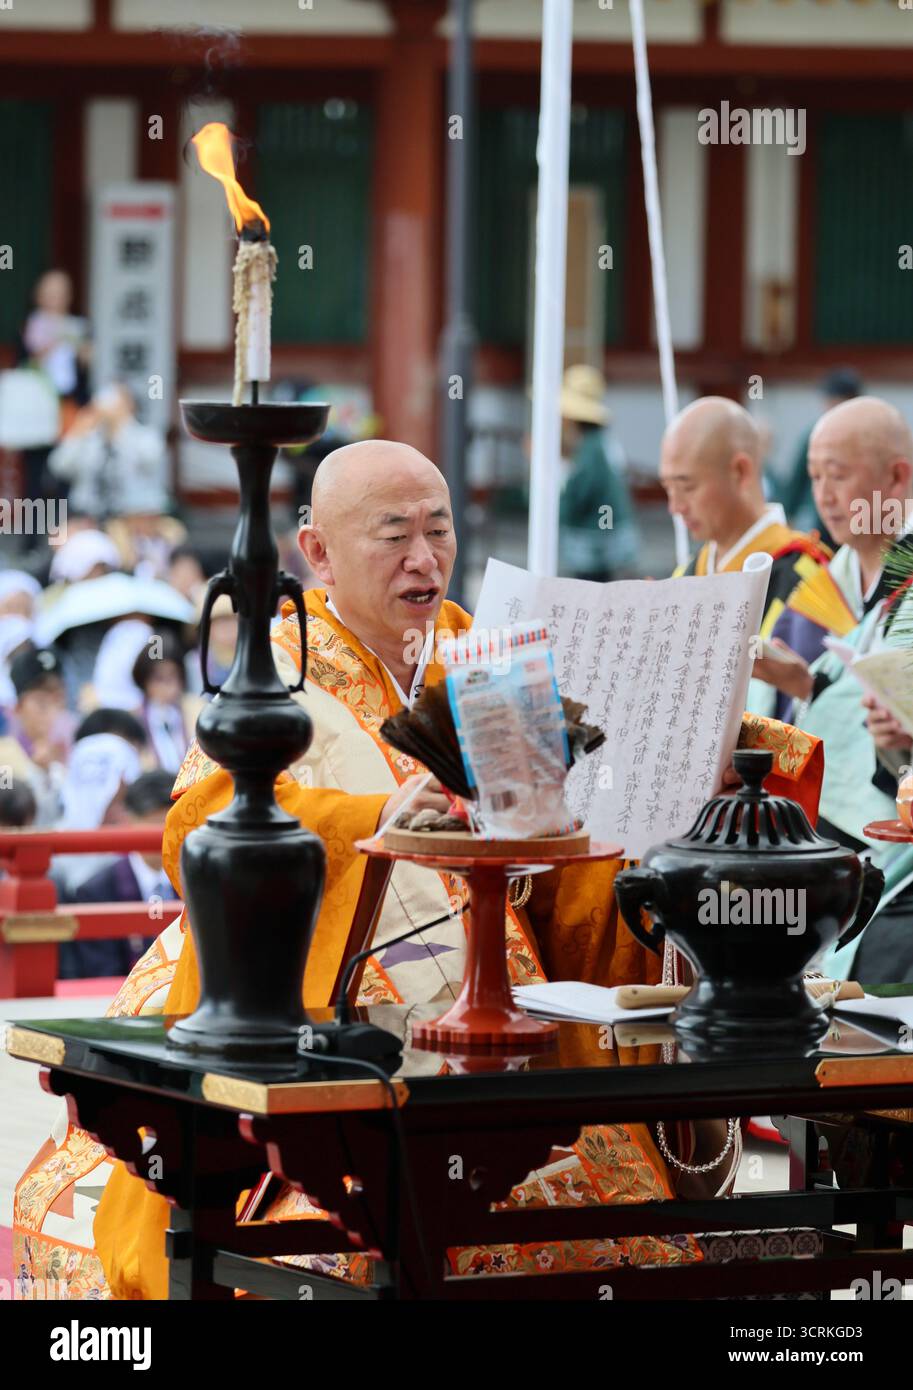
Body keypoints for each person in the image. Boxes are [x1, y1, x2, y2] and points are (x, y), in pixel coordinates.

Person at [16, 441, 823, 1299]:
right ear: (316, 551)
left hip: (502, 997)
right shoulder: (278, 672)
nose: (424, 558)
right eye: (392, 534)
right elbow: (197, 832)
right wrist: (370, 820)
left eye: (438, 530)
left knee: (602, 1216)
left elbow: (579, 813)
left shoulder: (478, 650)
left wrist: (706, 731)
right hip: (318, 1002)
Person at [751, 397, 913, 982]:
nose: (824, 493)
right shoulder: (823, 581)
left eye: (839, 475)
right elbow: (808, 703)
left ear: (898, 476)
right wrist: (799, 682)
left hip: (888, 835)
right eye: (815, 475)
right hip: (823, 823)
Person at [661, 397, 833, 717]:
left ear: (740, 471)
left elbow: (820, 714)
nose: (675, 506)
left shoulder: (806, 578)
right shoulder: (685, 575)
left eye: (687, 487)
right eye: (668, 489)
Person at [58, 770, 179, 980]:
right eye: (154, 823)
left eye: (170, 822)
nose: (162, 832)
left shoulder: (202, 881)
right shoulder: (96, 891)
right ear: (129, 820)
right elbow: (100, 971)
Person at [558, 365, 638, 581]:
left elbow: (579, 494)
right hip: (611, 539)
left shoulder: (590, 451)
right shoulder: (603, 443)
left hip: (595, 546)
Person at [47, 384, 168, 522]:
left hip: (133, 517)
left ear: (129, 405)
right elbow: (58, 467)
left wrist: (120, 426)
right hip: (89, 516)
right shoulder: (88, 438)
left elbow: (150, 460)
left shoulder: (145, 436)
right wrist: (78, 431)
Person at [778, 367, 862, 536]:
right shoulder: (815, 435)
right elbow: (796, 483)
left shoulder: (865, 436)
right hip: (818, 521)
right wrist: (786, 519)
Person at [0, 645, 72, 825]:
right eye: (41, 703)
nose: (52, 712)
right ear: (18, 708)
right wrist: (38, 772)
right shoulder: (3, 758)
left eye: (58, 699)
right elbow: (7, 816)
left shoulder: (78, 748)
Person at [131, 635, 204, 772]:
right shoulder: (133, 719)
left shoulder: (198, 709)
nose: (166, 686)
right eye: (158, 679)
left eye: (172, 677)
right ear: (144, 680)